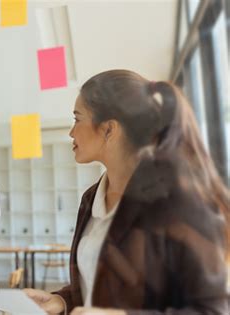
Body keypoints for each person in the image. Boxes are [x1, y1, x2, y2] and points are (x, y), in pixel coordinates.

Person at [25, 70, 229, 314]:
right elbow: (100, 282)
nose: (71, 132)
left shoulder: (179, 202)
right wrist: (63, 301)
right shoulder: (91, 199)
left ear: (109, 129)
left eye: (77, 119)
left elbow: (212, 310)